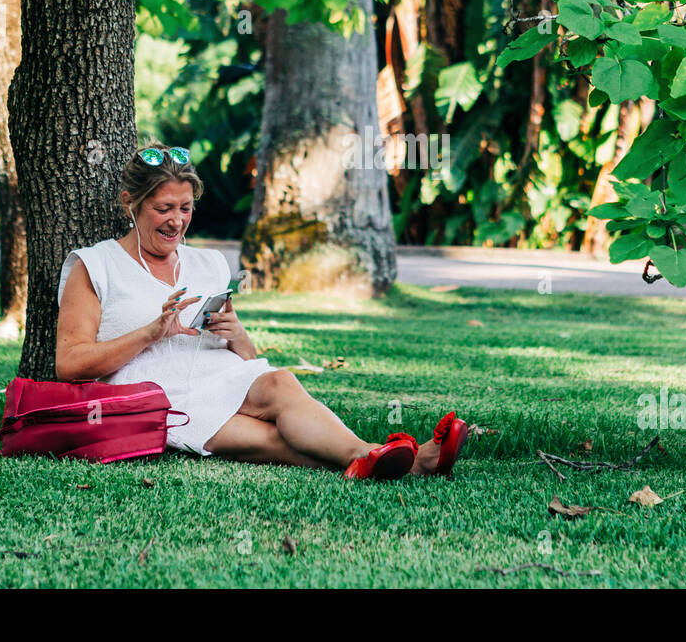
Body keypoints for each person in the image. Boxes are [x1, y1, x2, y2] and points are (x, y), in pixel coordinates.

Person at [55, 145, 467, 479]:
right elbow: (69, 364)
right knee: (272, 441)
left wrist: (235, 333)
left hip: (218, 378)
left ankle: (376, 457)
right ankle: (400, 461)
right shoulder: (96, 266)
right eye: (163, 209)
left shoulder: (208, 263)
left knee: (280, 381)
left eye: (185, 208)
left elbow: (248, 362)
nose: (177, 221)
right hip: (156, 398)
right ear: (131, 203)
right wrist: (151, 332)